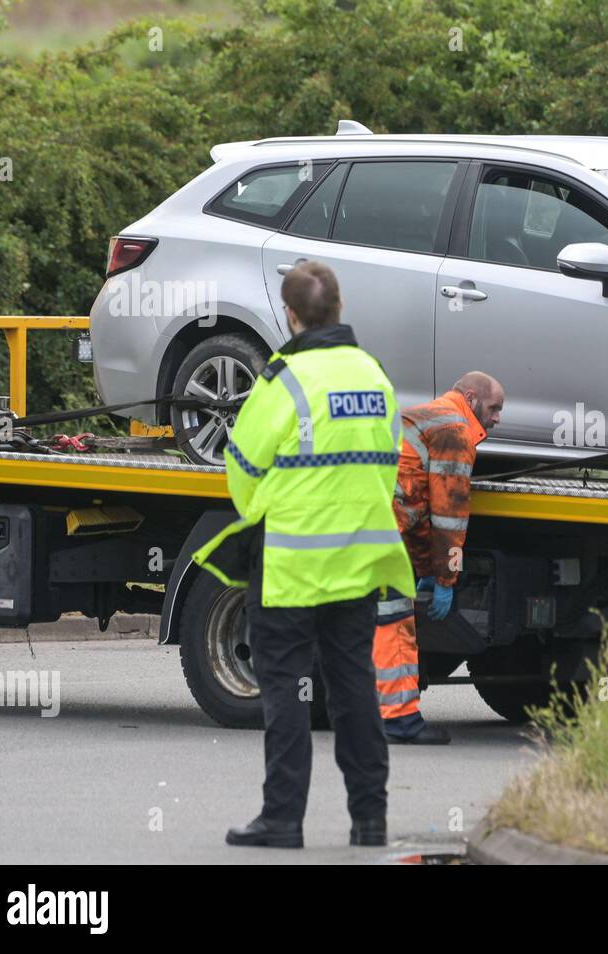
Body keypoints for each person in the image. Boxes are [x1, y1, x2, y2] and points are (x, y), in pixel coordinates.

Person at [193, 260, 415, 848]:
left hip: (290, 568)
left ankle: (283, 819)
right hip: (358, 564)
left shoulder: (283, 380)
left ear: (291, 315)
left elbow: (240, 470)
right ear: (340, 309)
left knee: (288, 692)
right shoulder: (375, 376)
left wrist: (274, 503)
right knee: (353, 689)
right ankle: (370, 820)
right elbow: (390, 460)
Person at [374, 371, 504, 744]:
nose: (497, 418)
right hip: (379, 531)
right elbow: (450, 516)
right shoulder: (455, 430)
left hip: (376, 525)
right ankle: (399, 722)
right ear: (471, 397)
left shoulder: (432, 415)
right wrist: (447, 578)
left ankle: (378, 714)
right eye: (494, 408)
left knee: (371, 621)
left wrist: (428, 569)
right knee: (395, 621)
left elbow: (418, 508)